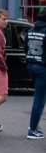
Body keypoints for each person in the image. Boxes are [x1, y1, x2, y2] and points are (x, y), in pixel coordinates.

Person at [25, 8, 46, 139]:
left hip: (31, 64)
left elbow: (25, 48)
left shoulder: (30, 30)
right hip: (42, 67)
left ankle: (35, 126)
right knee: (39, 98)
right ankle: (32, 129)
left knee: (40, 96)